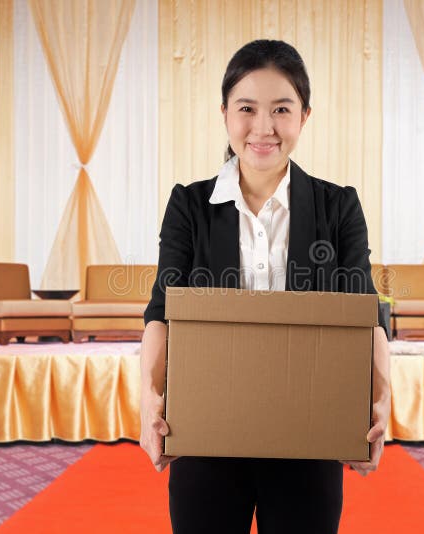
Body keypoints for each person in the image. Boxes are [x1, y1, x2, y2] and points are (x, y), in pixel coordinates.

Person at [140, 39, 391, 534]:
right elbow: (162, 311)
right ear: (225, 114)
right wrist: (150, 397)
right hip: (206, 437)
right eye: (247, 109)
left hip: (310, 435)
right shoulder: (189, 206)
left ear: (304, 116)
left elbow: (367, 314)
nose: (263, 127)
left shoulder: (338, 207)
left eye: (281, 109)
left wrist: (379, 401)